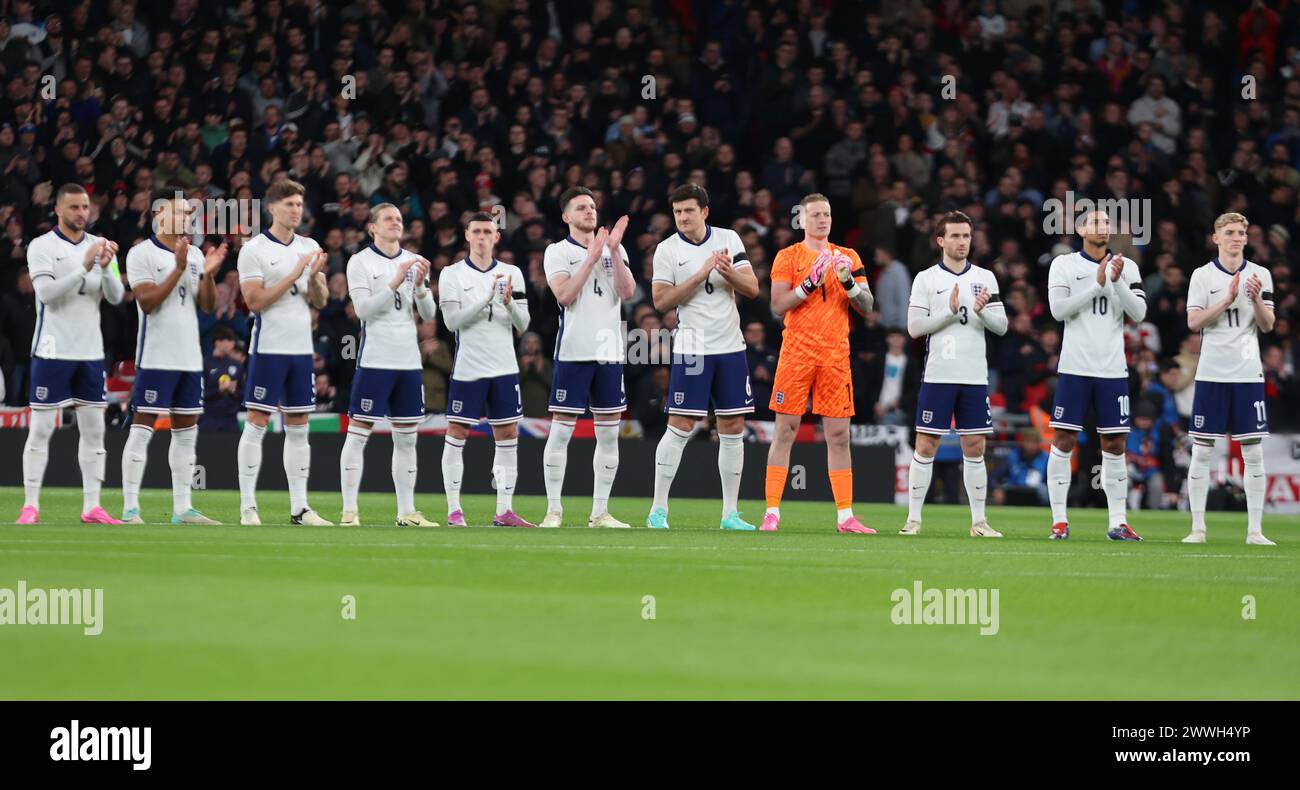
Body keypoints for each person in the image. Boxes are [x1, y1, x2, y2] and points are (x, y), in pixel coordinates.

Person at [646, 184, 760, 530]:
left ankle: (730, 514)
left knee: (733, 426)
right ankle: (658, 509)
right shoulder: (667, 250)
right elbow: (661, 301)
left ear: (704, 212)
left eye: (688, 211)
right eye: (678, 211)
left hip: (730, 347)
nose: (682, 217)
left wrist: (726, 271)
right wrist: (699, 274)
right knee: (680, 425)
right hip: (692, 348)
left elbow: (753, 289)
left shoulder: (729, 239)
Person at [762, 193, 875, 533]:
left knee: (839, 436)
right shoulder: (788, 256)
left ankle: (845, 517)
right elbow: (778, 304)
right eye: (815, 215)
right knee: (786, 431)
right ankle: (771, 513)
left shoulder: (849, 256)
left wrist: (848, 282)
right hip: (796, 353)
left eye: (826, 214)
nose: (822, 220)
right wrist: (810, 282)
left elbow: (867, 306)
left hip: (835, 356)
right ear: (802, 220)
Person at [17, 183, 125, 524]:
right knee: (42, 428)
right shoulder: (42, 246)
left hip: (90, 352)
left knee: (95, 430)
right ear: (58, 210)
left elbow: (117, 296)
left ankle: (92, 506)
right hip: (52, 349)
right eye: (74, 207)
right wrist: (84, 266)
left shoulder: (101, 246)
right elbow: (47, 294)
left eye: (85, 207)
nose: (81, 213)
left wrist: (107, 267)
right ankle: (31, 505)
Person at [121, 190, 229, 524]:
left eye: (189, 214)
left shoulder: (195, 254)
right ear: (159, 217)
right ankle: (130, 508)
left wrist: (208, 274)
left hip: (189, 358)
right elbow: (148, 303)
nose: (187, 219)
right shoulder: (141, 254)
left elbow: (208, 307)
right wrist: (178, 268)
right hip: (156, 356)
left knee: (187, 434)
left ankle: (183, 508)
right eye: (180, 213)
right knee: (142, 430)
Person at [903, 211, 1008, 537]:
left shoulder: (986, 278)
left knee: (975, 446)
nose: (963, 242)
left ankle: (979, 522)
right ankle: (913, 520)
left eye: (966, 236)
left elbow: (1002, 326)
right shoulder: (926, 279)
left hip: (974, 375)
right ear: (941, 240)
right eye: (955, 236)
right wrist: (947, 314)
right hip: (939, 375)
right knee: (926, 444)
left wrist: (982, 312)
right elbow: (914, 328)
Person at [1044, 210, 1147, 541]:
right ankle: (1059, 520)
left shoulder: (1126, 267)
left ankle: (1118, 521)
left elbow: (1139, 313)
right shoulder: (1064, 265)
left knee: (1115, 443)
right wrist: (1097, 284)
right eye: (1096, 223)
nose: (1103, 228)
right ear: (1081, 229)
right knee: (1063, 440)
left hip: (1112, 369)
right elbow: (1058, 311)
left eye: (1107, 224)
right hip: (1075, 367)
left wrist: (1115, 282)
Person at [236, 179, 333, 526]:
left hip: (300, 350)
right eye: (289, 204)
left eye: (299, 204)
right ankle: (248, 505)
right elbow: (255, 301)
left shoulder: (309, 245)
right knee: (258, 421)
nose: (296, 210)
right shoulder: (254, 249)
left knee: (299, 426)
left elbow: (319, 302)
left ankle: (300, 507)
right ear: (272, 208)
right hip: (269, 348)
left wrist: (315, 279)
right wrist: (295, 272)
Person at [539, 186, 636, 528]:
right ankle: (553, 510)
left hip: (609, 353)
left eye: (592, 206)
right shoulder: (556, 252)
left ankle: (600, 512)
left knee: (608, 434)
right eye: (581, 207)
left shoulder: (615, 248)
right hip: (574, 351)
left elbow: (627, 292)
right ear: (566, 217)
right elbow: (564, 295)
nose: (590, 211)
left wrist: (611, 251)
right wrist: (593, 257)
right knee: (562, 432)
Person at [338, 203, 438, 527]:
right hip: (375, 359)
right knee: (358, 433)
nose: (396, 223)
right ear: (372, 228)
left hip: (408, 360)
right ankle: (350, 511)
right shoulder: (359, 262)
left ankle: (406, 511)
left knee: (407, 437)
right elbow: (364, 310)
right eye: (388, 219)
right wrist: (394, 281)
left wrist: (421, 286)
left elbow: (428, 314)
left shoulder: (414, 260)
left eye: (399, 218)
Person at [1184, 213, 1277, 545]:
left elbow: (1267, 325)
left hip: (1247, 373)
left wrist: (1252, 297)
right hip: (1211, 372)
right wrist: (1226, 298)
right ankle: (1197, 529)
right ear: (1216, 238)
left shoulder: (1260, 274)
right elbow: (1194, 322)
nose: (1237, 238)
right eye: (1230, 232)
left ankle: (1255, 531)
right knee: (1202, 451)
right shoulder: (1202, 276)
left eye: (1241, 233)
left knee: (1253, 452)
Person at [437, 212, 533, 527]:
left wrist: (505, 302)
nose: (481, 237)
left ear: (496, 237)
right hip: (469, 367)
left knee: (507, 434)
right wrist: (486, 298)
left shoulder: (512, 273)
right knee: (458, 432)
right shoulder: (452, 274)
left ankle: (504, 510)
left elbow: (523, 324)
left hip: (504, 366)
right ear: (466, 236)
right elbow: (451, 323)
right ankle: (454, 510)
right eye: (476, 231)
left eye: (487, 231)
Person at [201, 325, 244, 432]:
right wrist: (218, 391)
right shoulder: (204, 364)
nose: (232, 343)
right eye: (228, 340)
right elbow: (199, 395)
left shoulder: (237, 365)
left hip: (231, 420)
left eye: (233, 340)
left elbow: (244, 394)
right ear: (217, 342)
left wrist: (234, 391)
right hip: (208, 419)